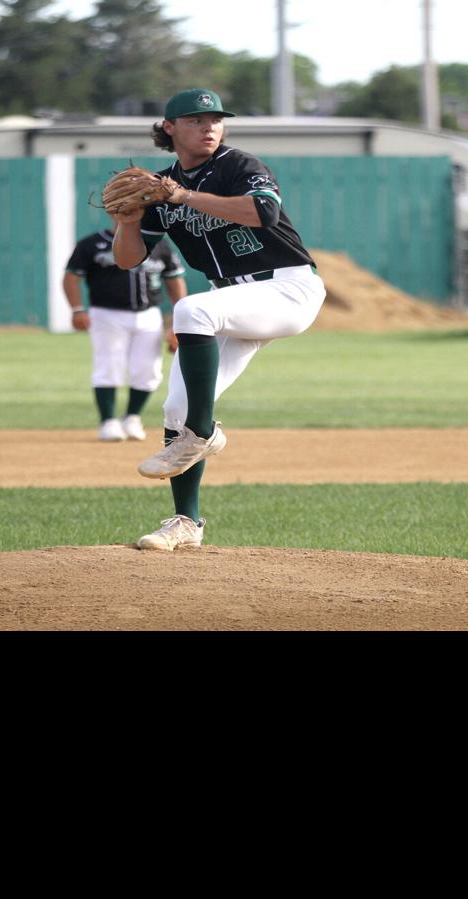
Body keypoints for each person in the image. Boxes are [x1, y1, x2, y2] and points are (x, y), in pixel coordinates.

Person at [108, 88, 326, 552]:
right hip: (231, 300)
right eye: (194, 119)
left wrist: (184, 194)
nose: (209, 127)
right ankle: (186, 523)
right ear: (169, 128)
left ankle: (203, 434)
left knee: (191, 308)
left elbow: (262, 212)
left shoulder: (238, 165)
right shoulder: (160, 187)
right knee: (174, 409)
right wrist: (127, 223)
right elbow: (128, 261)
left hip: (287, 288)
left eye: (215, 119)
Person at [64, 229, 188, 441]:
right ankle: (108, 421)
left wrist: (180, 321)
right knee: (108, 365)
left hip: (149, 313)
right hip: (106, 313)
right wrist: (77, 309)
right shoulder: (92, 243)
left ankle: (132, 417)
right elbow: (71, 276)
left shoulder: (159, 243)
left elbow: (174, 279)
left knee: (148, 370)